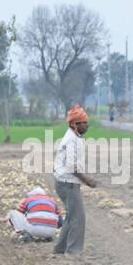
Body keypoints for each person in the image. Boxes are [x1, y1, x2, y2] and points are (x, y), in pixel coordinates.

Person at [53, 105, 98, 255]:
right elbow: (72, 166)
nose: (87, 125)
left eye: (86, 122)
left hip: (65, 182)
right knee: (78, 217)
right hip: (68, 184)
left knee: (71, 215)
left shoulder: (74, 137)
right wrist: (87, 180)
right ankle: (72, 252)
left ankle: (60, 248)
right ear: (74, 124)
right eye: (83, 122)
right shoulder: (71, 140)